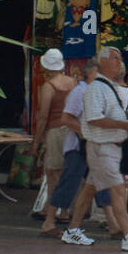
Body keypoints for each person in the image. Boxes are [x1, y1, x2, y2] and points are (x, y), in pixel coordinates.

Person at [61, 46, 128, 251]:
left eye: (120, 58)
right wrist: (124, 125)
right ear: (101, 62)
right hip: (101, 147)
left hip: (109, 147)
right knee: (118, 189)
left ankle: (72, 230)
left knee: (89, 189)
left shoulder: (107, 87)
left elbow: (113, 115)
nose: (119, 62)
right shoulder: (96, 88)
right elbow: (94, 119)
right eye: (114, 58)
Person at [41, 57, 118, 238]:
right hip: (78, 146)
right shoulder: (79, 92)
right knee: (68, 182)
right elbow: (66, 118)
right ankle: (49, 222)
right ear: (93, 72)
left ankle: (113, 224)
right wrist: (84, 132)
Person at [30, 48, 76, 221]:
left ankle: (50, 209)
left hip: (55, 131)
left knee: (52, 172)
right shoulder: (72, 83)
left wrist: (36, 142)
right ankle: (63, 210)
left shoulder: (49, 87)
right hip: (71, 130)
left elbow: (43, 117)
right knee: (66, 171)